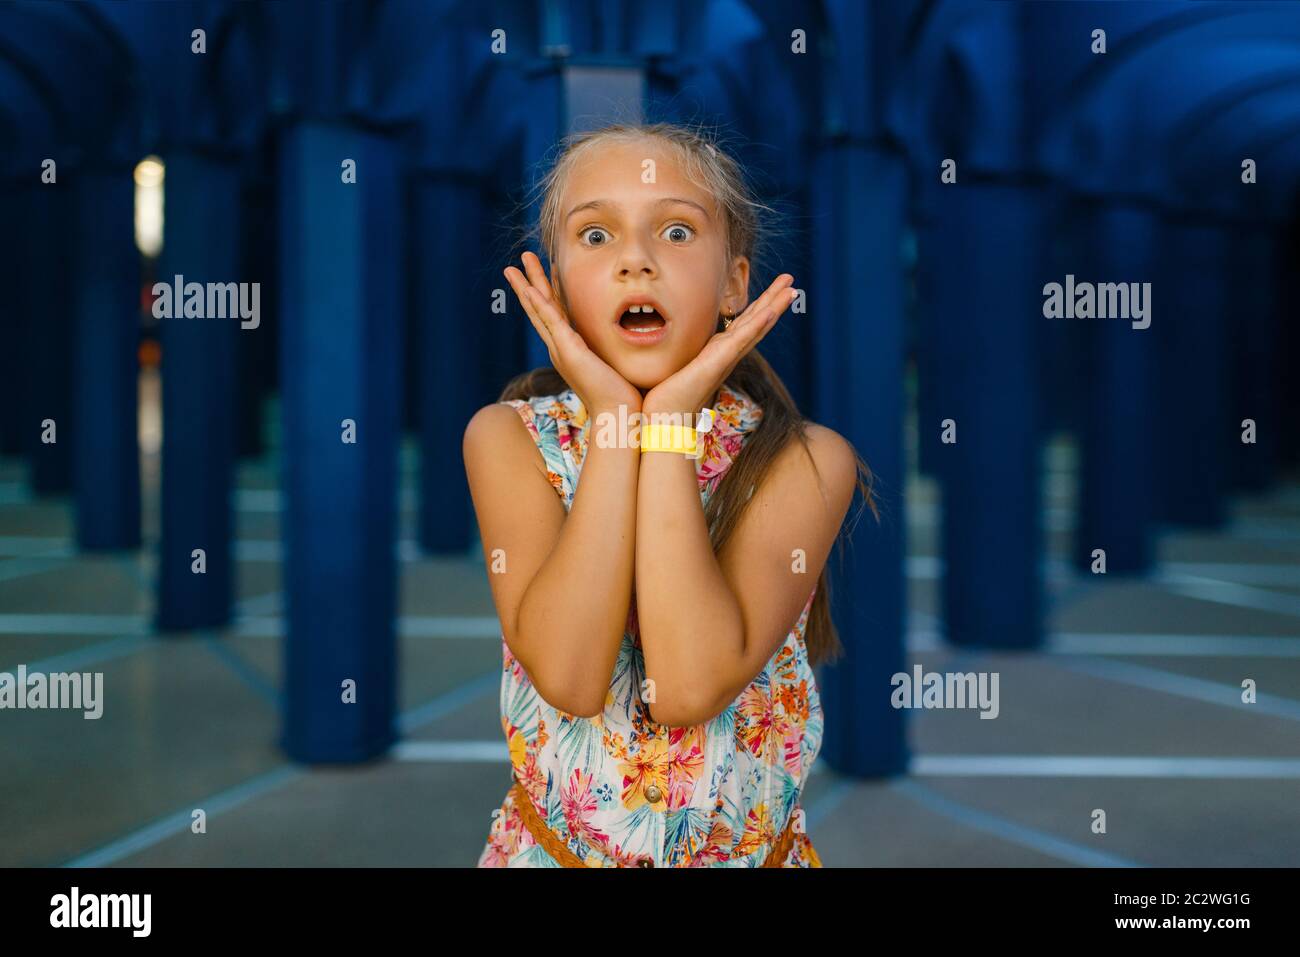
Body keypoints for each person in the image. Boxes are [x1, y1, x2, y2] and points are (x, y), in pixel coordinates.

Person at [463, 122, 876, 867]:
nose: (635, 262)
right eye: (595, 236)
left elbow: (687, 686)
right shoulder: (507, 439)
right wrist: (620, 423)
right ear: (553, 288)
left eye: (677, 230)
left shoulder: (807, 460)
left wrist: (671, 423)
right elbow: (570, 676)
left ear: (734, 285)